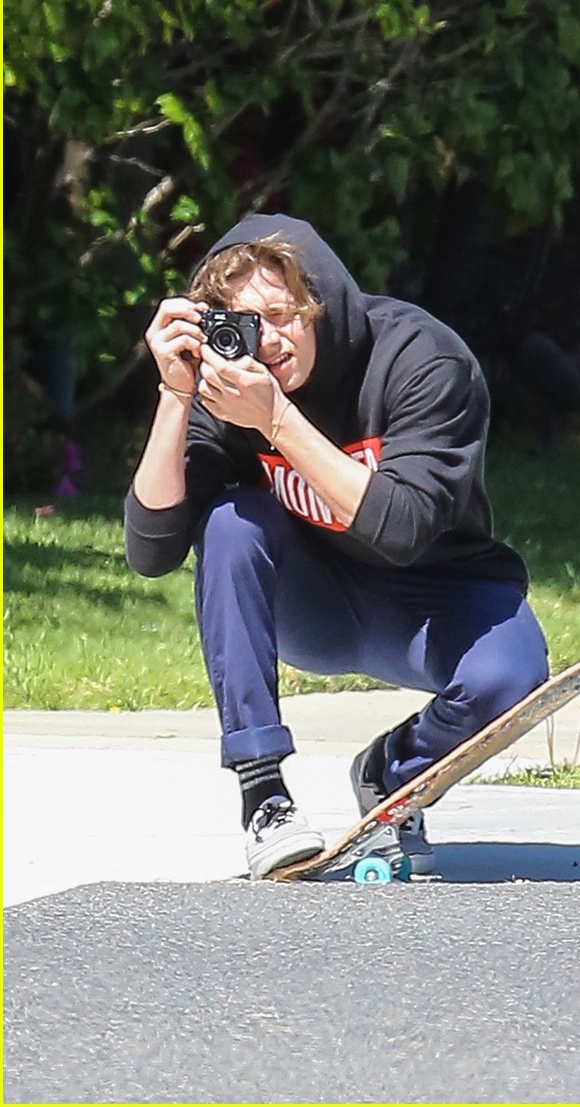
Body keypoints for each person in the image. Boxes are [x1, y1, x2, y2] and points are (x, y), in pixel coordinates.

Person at [124, 213, 549, 878]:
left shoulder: (421, 359)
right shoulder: (227, 384)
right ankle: (263, 793)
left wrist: (277, 421)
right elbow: (151, 550)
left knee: (512, 679)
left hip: (434, 595)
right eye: (244, 324)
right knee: (231, 521)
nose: (267, 341)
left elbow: (403, 528)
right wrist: (176, 394)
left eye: (282, 315)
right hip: (316, 601)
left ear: (320, 304)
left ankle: (393, 774)